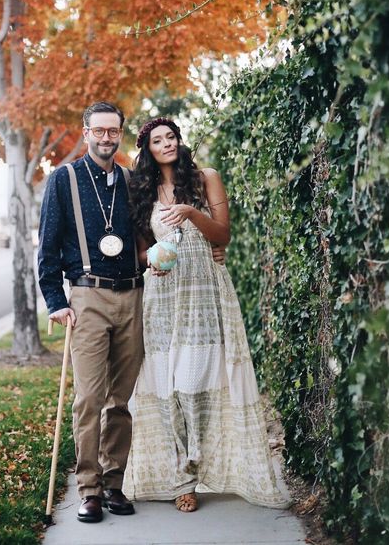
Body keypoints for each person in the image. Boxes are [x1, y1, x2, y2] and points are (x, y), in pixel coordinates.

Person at [123, 117, 290, 512]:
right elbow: (142, 251)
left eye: (171, 137)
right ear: (147, 150)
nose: (166, 144)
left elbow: (223, 235)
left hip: (204, 294)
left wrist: (191, 214)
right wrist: (154, 261)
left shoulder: (205, 178)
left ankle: (202, 461)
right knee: (167, 387)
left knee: (195, 380)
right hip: (163, 297)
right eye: (157, 140)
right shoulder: (142, 192)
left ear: (180, 141)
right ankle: (182, 479)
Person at [38, 101, 144, 524]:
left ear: (121, 134)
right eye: (98, 131)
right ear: (85, 134)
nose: (105, 138)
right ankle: (89, 489)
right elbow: (47, 245)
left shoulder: (132, 181)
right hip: (87, 297)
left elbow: (146, 235)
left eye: (113, 131)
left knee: (120, 400)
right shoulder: (63, 179)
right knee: (88, 398)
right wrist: (55, 301)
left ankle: (114, 484)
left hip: (132, 296)